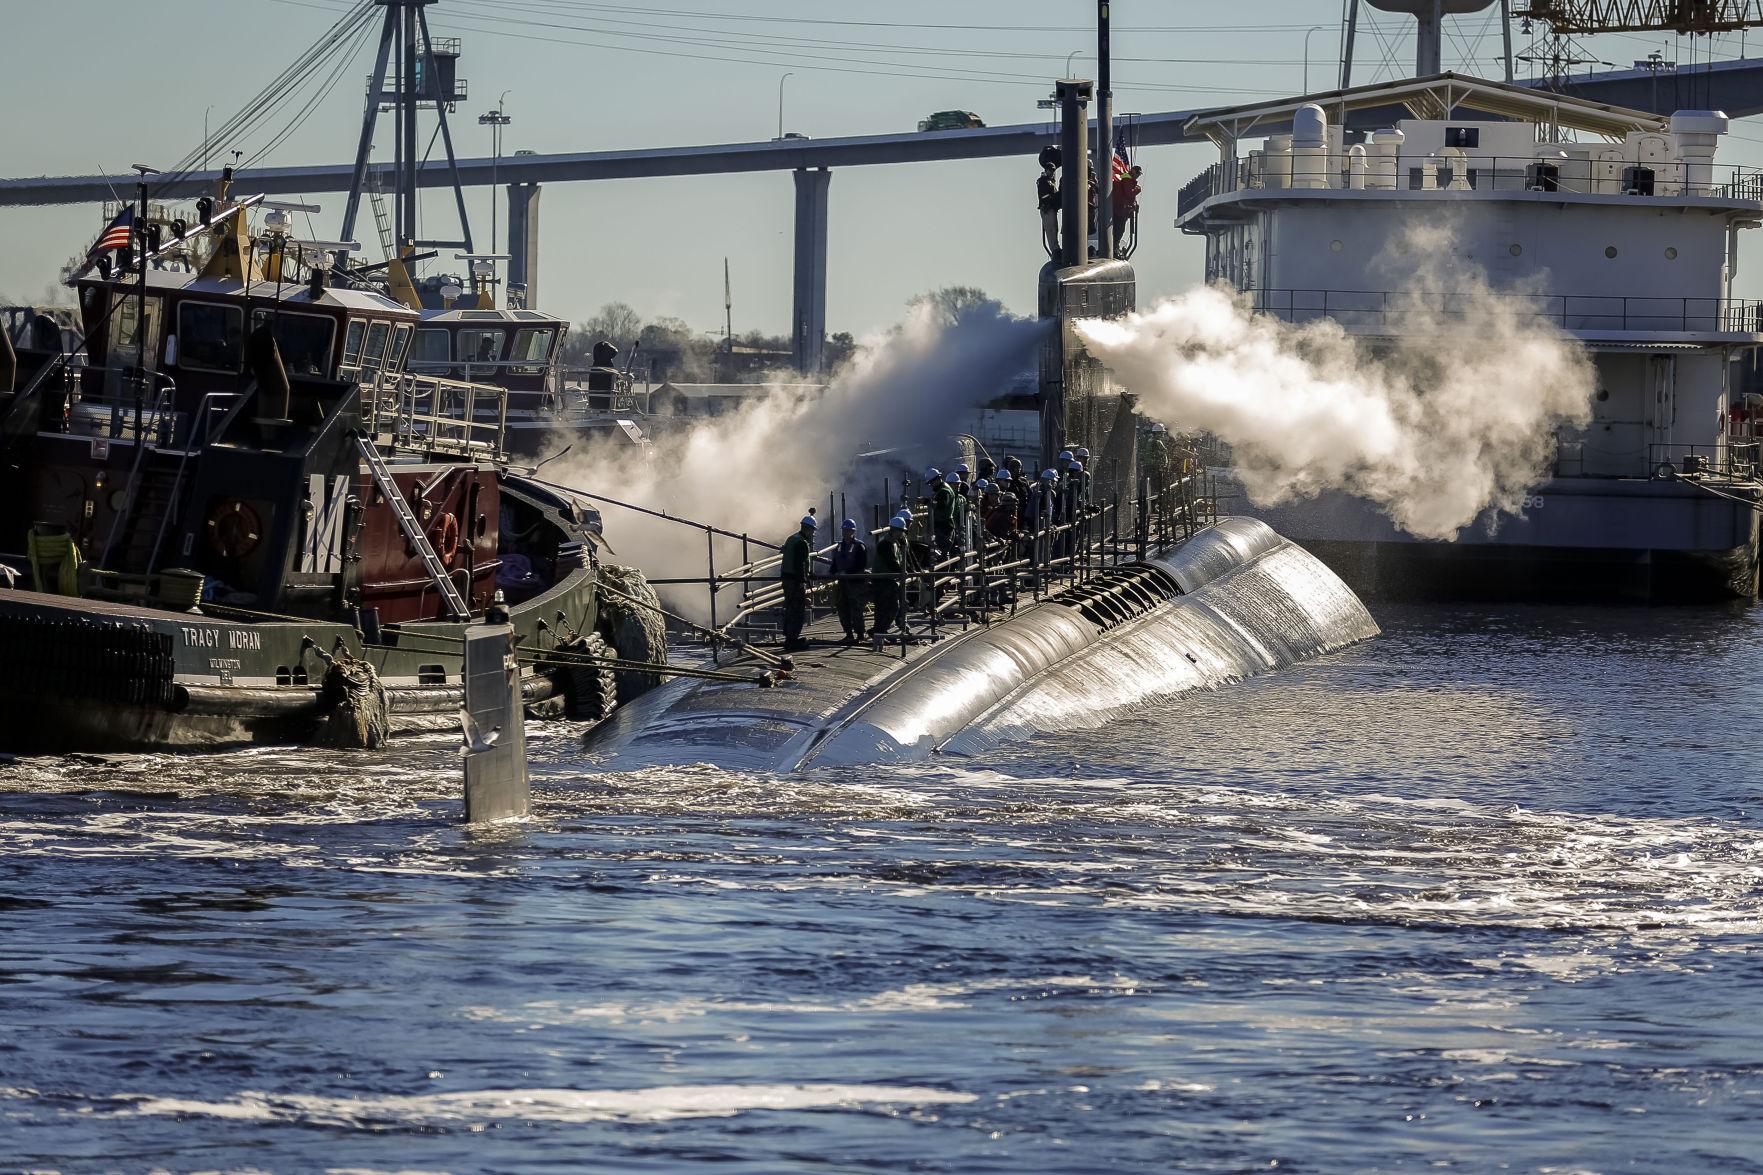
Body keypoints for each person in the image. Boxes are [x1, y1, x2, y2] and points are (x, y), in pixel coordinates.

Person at [779, 514, 816, 651]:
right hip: (795, 581)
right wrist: (803, 581)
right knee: (797, 610)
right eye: (812, 530)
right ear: (809, 529)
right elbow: (800, 564)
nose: (813, 534)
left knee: (790, 608)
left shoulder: (791, 538)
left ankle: (789, 638)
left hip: (786, 579)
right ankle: (792, 640)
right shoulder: (802, 543)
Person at [830, 518, 869, 645]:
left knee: (856, 608)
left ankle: (860, 634)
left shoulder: (859, 546)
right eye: (845, 530)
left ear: (853, 531)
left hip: (855, 583)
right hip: (842, 583)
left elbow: (861, 564)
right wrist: (832, 573)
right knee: (842, 607)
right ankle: (848, 633)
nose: (846, 532)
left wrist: (848, 573)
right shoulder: (839, 547)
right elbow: (835, 563)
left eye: (849, 530)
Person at [872, 514, 909, 643]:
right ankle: (879, 631)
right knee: (890, 606)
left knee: (888, 606)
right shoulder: (886, 545)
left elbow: (900, 560)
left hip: (889, 579)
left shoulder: (894, 543)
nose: (902, 534)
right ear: (894, 531)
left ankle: (880, 631)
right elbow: (892, 563)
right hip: (883, 580)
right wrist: (902, 571)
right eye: (900, 531)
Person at [1112, 164, 1142, 254]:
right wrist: (1138, 190)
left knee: (1119, 230)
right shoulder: (1127, 180)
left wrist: (1134, 205)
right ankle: (1114, 247)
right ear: (1133, 171)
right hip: (1120, 211)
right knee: (1119, 230)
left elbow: (1128, 197)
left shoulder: (1127, 180)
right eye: (1138, 174)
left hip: (1122, 210)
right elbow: (1129, 194)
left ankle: (1114, 247)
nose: (1138, 176)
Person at [930, 467, 959, 556]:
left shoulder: (943, 491)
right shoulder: (946, 488)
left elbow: (941, 505)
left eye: (931, 482)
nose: (931, 485)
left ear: (937, 480)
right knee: (944, 553)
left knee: (942, 554)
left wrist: (928, 502)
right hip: (946, 525)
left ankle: (944, 569)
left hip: (943, 527)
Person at [1037, 163, 1060, 256]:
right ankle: (1055, 250)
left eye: (1054, 170)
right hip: (1046, 208)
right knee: (1050, 230)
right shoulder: (1043, 181)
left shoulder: (1050, 181)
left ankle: (1056, 248)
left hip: (1051, 208)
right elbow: (1044, 196)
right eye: (1051, 170)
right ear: (1046, 170)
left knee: (1054, 229)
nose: (1052, 172)